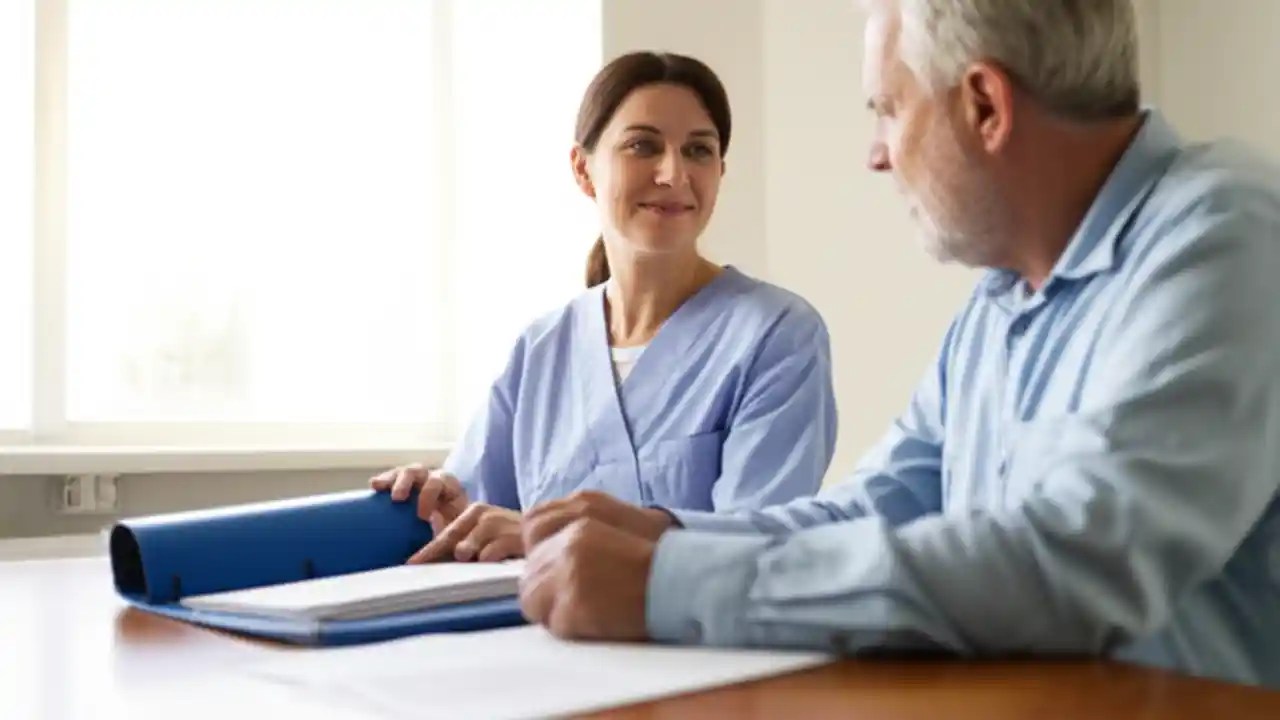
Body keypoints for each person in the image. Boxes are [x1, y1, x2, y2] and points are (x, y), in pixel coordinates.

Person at [516, 0, 1280, 690]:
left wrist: (671, 583)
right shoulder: (999, 301)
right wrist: (668, 533)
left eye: (887, 109)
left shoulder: (1227, 237)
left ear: (985, 104)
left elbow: (1076, 561)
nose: (876, 154)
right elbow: (882, 503)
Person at [370, 51, 837, 565]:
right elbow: (478, 520)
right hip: (530, 639)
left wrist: (549, 536)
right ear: (583, 168)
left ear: (721, 172)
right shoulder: (541, 350)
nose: (673, 173)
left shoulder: (778, 335)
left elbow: (759, 544)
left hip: (695, 643)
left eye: (699, 151)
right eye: (643, 145)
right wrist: (431, 504)